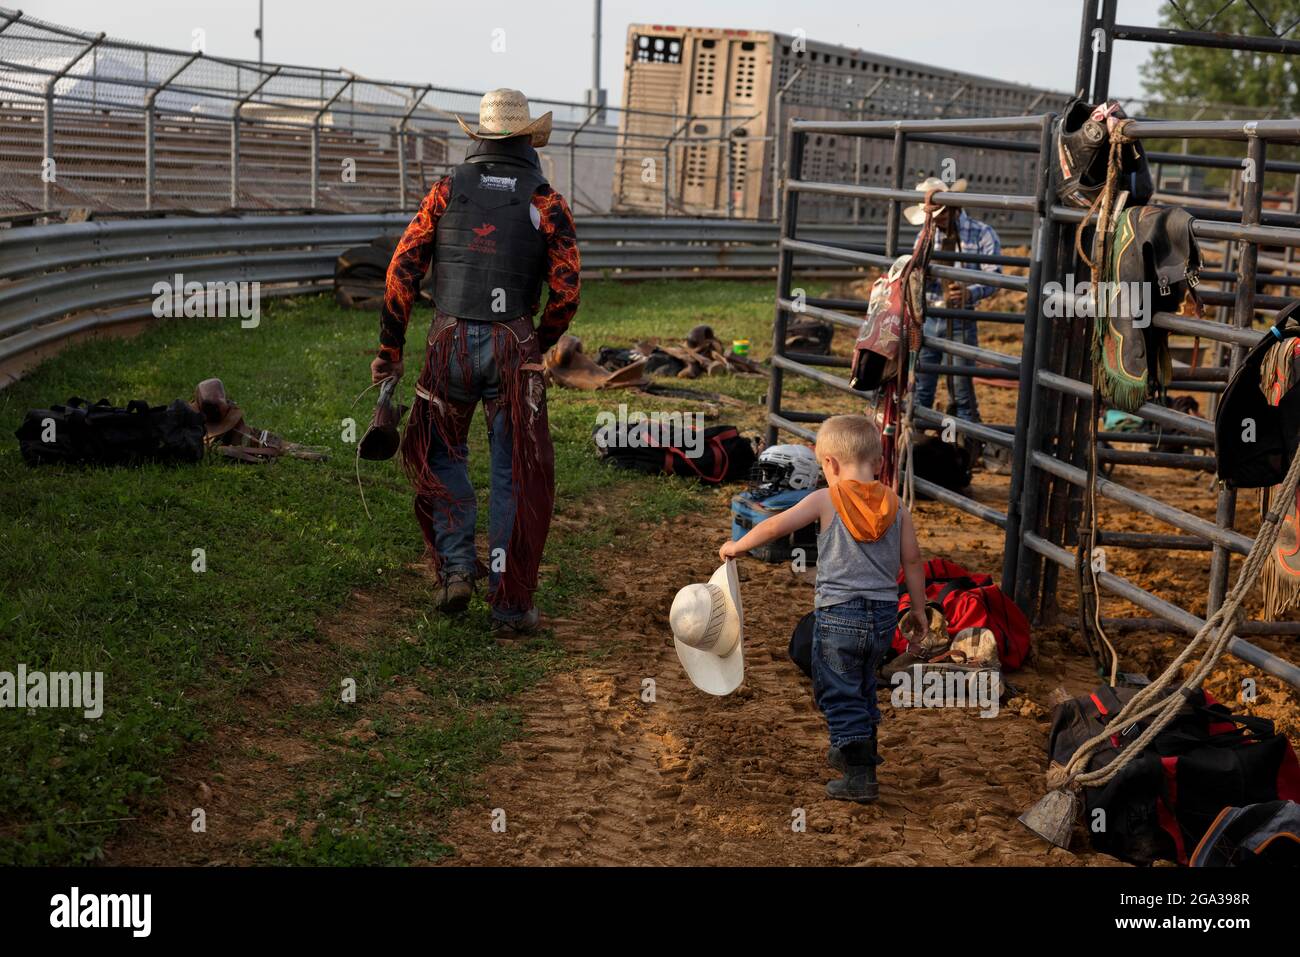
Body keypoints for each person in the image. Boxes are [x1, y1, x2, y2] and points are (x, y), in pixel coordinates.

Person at [370, 89, 580, 634]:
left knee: (439, 452)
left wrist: (390, 351)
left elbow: (400, 273)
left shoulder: (445, 191)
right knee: (516, 473)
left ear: (479, 137)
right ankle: (510, 606)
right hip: (514, 347)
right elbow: (567, 289)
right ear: (526, 139)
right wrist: (539, 343)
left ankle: (457, 566)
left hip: (448, 342)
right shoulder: (545, 202)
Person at [720, 415, 928, 803]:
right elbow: (913, 562)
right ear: (879, 463)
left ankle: (859, 772)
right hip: (883, 616)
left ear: (829, 465)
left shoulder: (826, 498)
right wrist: (918, 610)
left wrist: (737, 546)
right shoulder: (897, 506)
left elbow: (776, 526)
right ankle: (859, 748)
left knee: (837, 690)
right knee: (863, 683)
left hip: (839, 615)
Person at [905, 177, 1003, 427]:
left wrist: (970, 292)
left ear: (953, 207)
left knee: (961, 387)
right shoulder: (925, 235)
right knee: (922, 387)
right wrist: (921, 279)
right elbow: (913, 273)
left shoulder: (982, 232)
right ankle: (916, 445)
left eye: (940, 213)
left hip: (961, 318)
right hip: (929, 315)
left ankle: (965, 445)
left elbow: (995, 276)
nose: (936, 219)